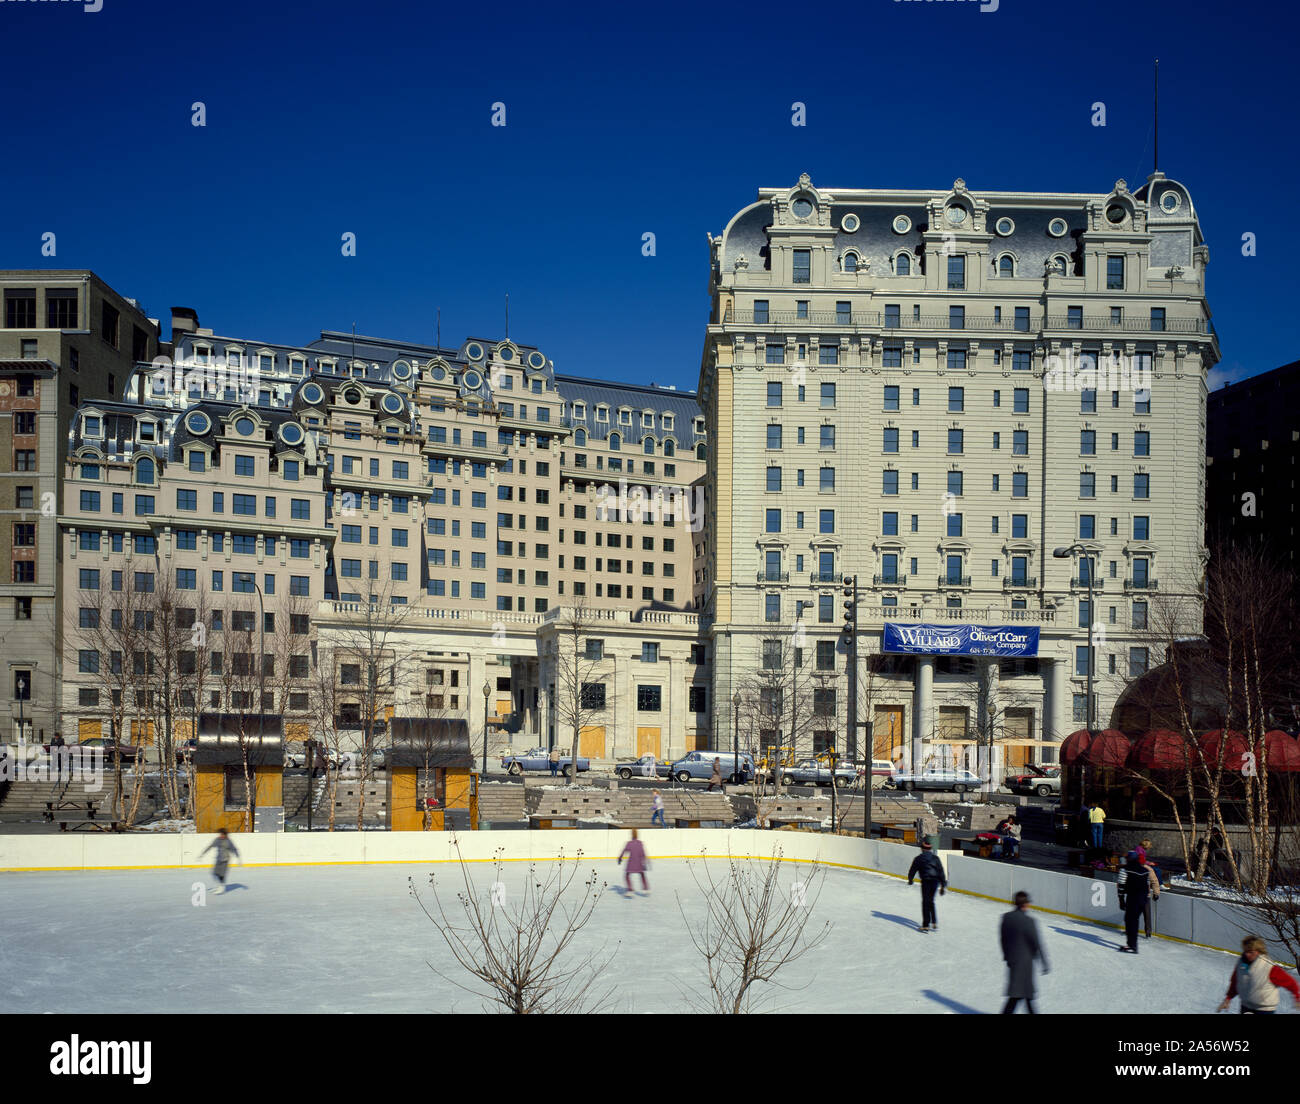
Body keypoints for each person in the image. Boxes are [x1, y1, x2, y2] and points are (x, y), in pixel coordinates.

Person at [1218, 936, 1300, 1014]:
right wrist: (1228, 999)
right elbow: (1235, 983)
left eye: (1251, 952)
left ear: (1259, 951)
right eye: (1245, 951)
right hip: (1246, 1006)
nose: (1247, 954)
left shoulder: (1269, 967)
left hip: (1264, 1009)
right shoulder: (1241, 964)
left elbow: (1290, 983)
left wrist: (1297, 997)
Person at [1000, 890, 1049, 1013]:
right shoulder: (1029, 921)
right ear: (1025, 904)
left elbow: (1003, 939)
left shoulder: (1006, 917)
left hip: (1013, 962)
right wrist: (1044, 962)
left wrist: (1007, 957)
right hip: (1025, 964)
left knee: (1018, 996)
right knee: (1023, 996)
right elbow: (1037, 943)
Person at [906, 839, 947, 933]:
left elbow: (912, 870)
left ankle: (925, 925)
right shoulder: (936, 858)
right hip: (935, 882)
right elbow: (941, 871)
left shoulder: (918, 858)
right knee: (931, 901)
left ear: (922, 849)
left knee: (925, 902)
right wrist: (943, 885)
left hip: (926, 882)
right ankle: (934, 922)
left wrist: (910, 880)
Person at [1118, 850, 1150, 953]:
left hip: (1133, 898)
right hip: (1144, 899)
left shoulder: (1125, 870)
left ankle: (1132, 946)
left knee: (1130, 921)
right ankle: (1132, 944)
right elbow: (1147, 885)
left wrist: (1121, 900)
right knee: (1133, 920)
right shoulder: (1145, 870)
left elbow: (1121, 886)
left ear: (1128, 859)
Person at [200, 827, 241, 894]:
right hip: (218, 859)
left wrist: (238, 857)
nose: (220, 835)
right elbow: (210, 846)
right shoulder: (217, 840)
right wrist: (203, 854)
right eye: (220, 834)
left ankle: (222, 887)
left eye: (222, 834)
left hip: (225, 860)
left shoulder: (228, 841)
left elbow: (234, 849)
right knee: (215, 873)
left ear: (225, 835)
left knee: (222, 874)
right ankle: (220, 886)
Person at [618, 828, 649, 895]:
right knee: (642, 874)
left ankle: (630, 889)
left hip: (631, 863)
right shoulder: (640, 843)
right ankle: (646, 888)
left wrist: (620, 858)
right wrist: (645, 862)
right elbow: (643, 853)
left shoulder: (629, 843)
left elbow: (624, 851)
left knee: (627, 875)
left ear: (631, 835)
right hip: (639, 863)